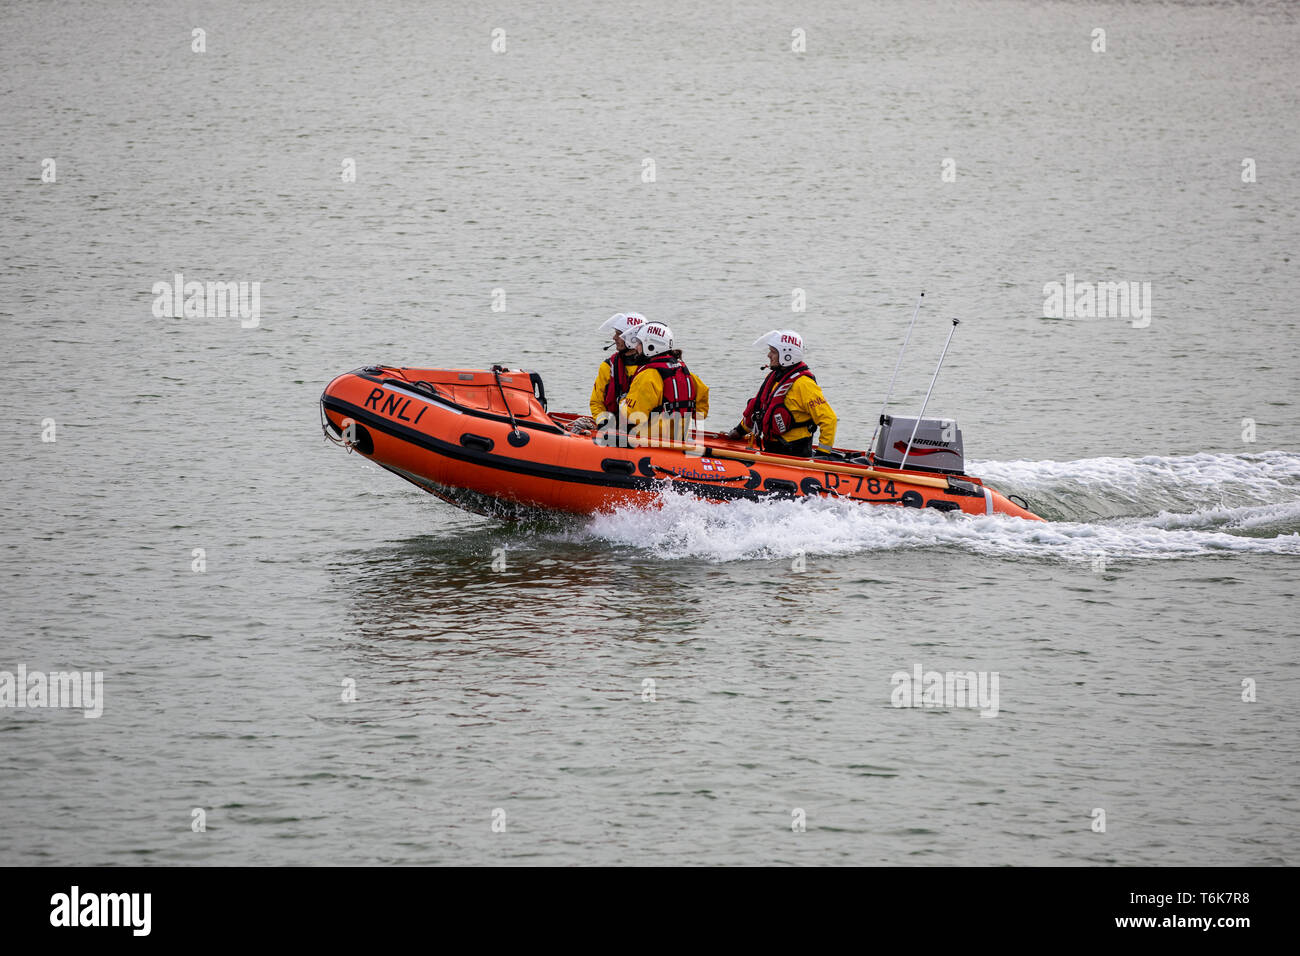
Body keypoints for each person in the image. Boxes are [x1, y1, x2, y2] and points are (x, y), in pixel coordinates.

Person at [728, 329, 837, 457]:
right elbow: (758, 409)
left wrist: (822, 454)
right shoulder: (775, 378)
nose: (769, 355)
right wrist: (740, 431)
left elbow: (829, 419)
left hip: (795, 453)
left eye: (773, 352)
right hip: (772, 449)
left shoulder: (804, 384)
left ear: (787, 355)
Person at [622, 321, 709, 443]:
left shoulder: (647, 376)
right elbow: (701, 412)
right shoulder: (687, 374)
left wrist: (622, 402)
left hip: (651, 442)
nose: (636, 347)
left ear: (651, 346)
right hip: (679, 439)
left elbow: (633, 416)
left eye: (639, 343)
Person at [589, 312, 648, 420]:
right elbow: (596, 402)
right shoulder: (608, 366)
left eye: (618, 334)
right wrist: (603, 421)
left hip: (644, 429)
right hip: (613, 426)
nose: (614, 337)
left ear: (632, 338)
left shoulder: (652, 369)